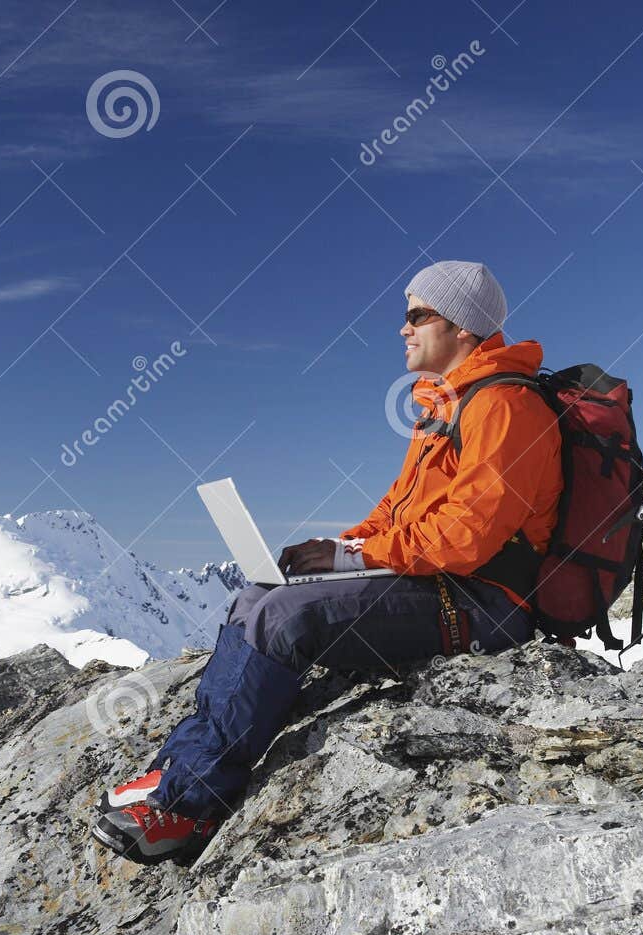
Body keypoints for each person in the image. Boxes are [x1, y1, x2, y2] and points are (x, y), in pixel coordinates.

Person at [92, 261, 564, 864]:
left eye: (418, 314)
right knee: (255, 598)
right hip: (444, 583)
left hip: (484, 605)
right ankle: (174, 772)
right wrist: (334, 553)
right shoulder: (448, 407)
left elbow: (466, 539)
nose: (403, 328)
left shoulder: (503, 408)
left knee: (282, 619)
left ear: (463, 327)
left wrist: (359, 557)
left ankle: (187, 809)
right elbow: (394, 512)